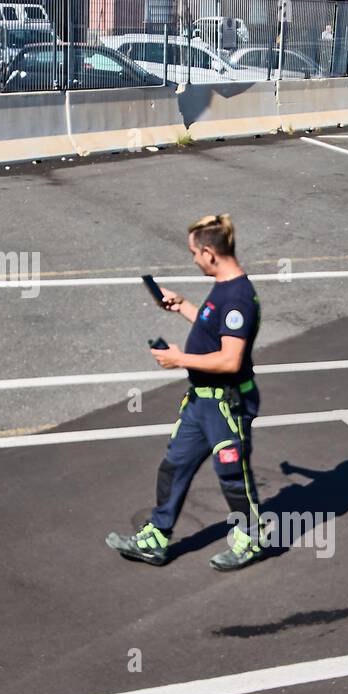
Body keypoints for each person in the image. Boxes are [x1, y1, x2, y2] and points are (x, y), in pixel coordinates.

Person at [105, 214, 265, 572]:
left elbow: (229, 359)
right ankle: (157, 538)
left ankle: (249, 539)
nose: (193, 259)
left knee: (232, 475)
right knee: (174, 466)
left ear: (210, 252)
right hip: (201, 402)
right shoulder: (222, 288)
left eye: (194, 252)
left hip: (226, 403)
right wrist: (183, 307)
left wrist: (179, 359)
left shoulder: (237, 296)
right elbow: (212, 328)